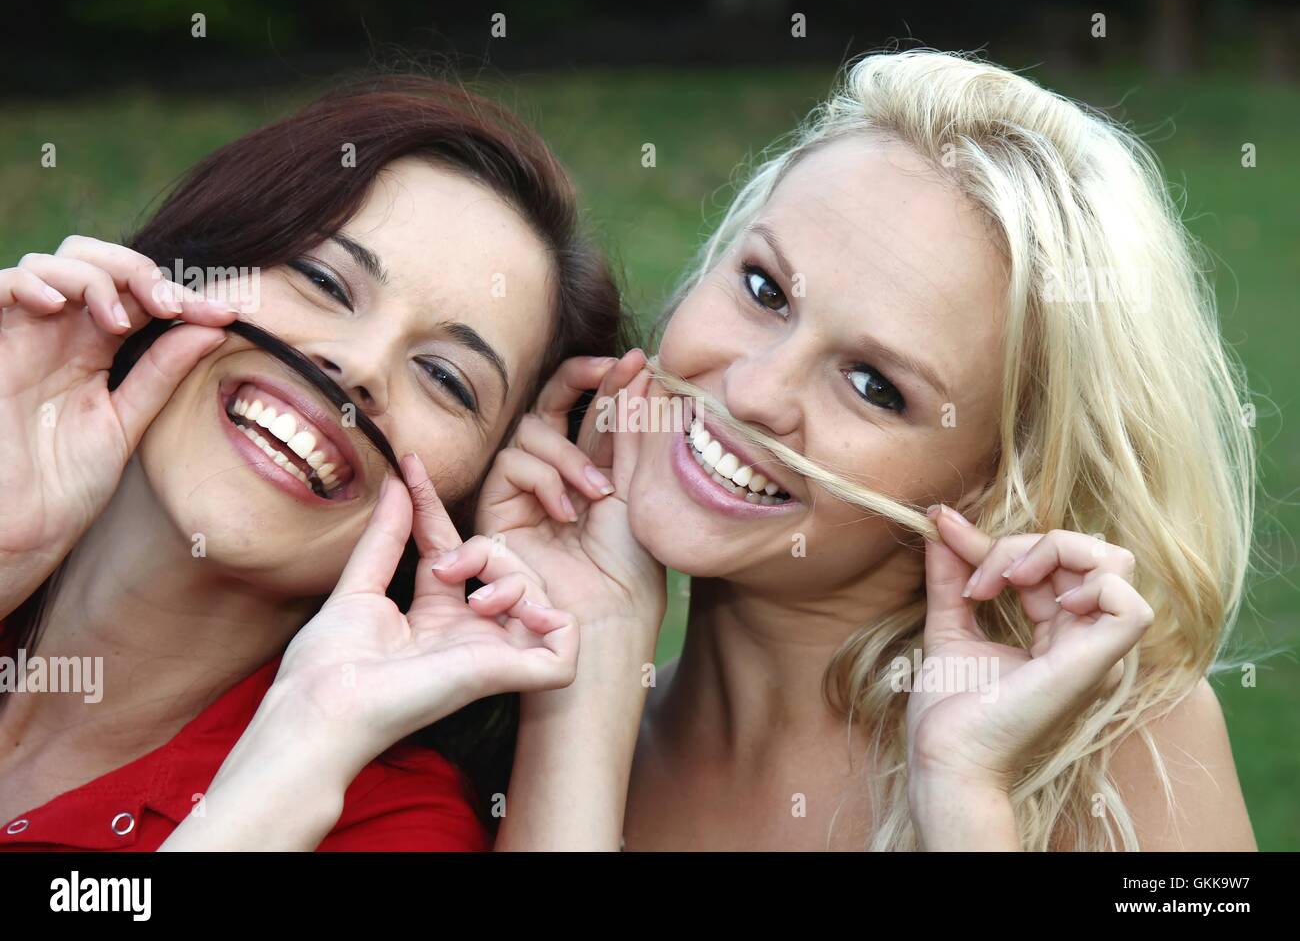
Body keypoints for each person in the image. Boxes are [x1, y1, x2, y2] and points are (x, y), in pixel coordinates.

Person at [152, 49, 1259, 851]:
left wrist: (961, 799)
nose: (754, 389)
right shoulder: (499, 734)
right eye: (764, 287)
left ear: (993, 481)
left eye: (874, 384)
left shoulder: (1121, 746)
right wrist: (587, 663)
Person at [0, 74, 629, 851]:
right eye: (326, 280)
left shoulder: (394, 828)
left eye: (445, 379)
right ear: (185, 269)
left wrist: (302, 751)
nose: (360, 365)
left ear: (461, 518)